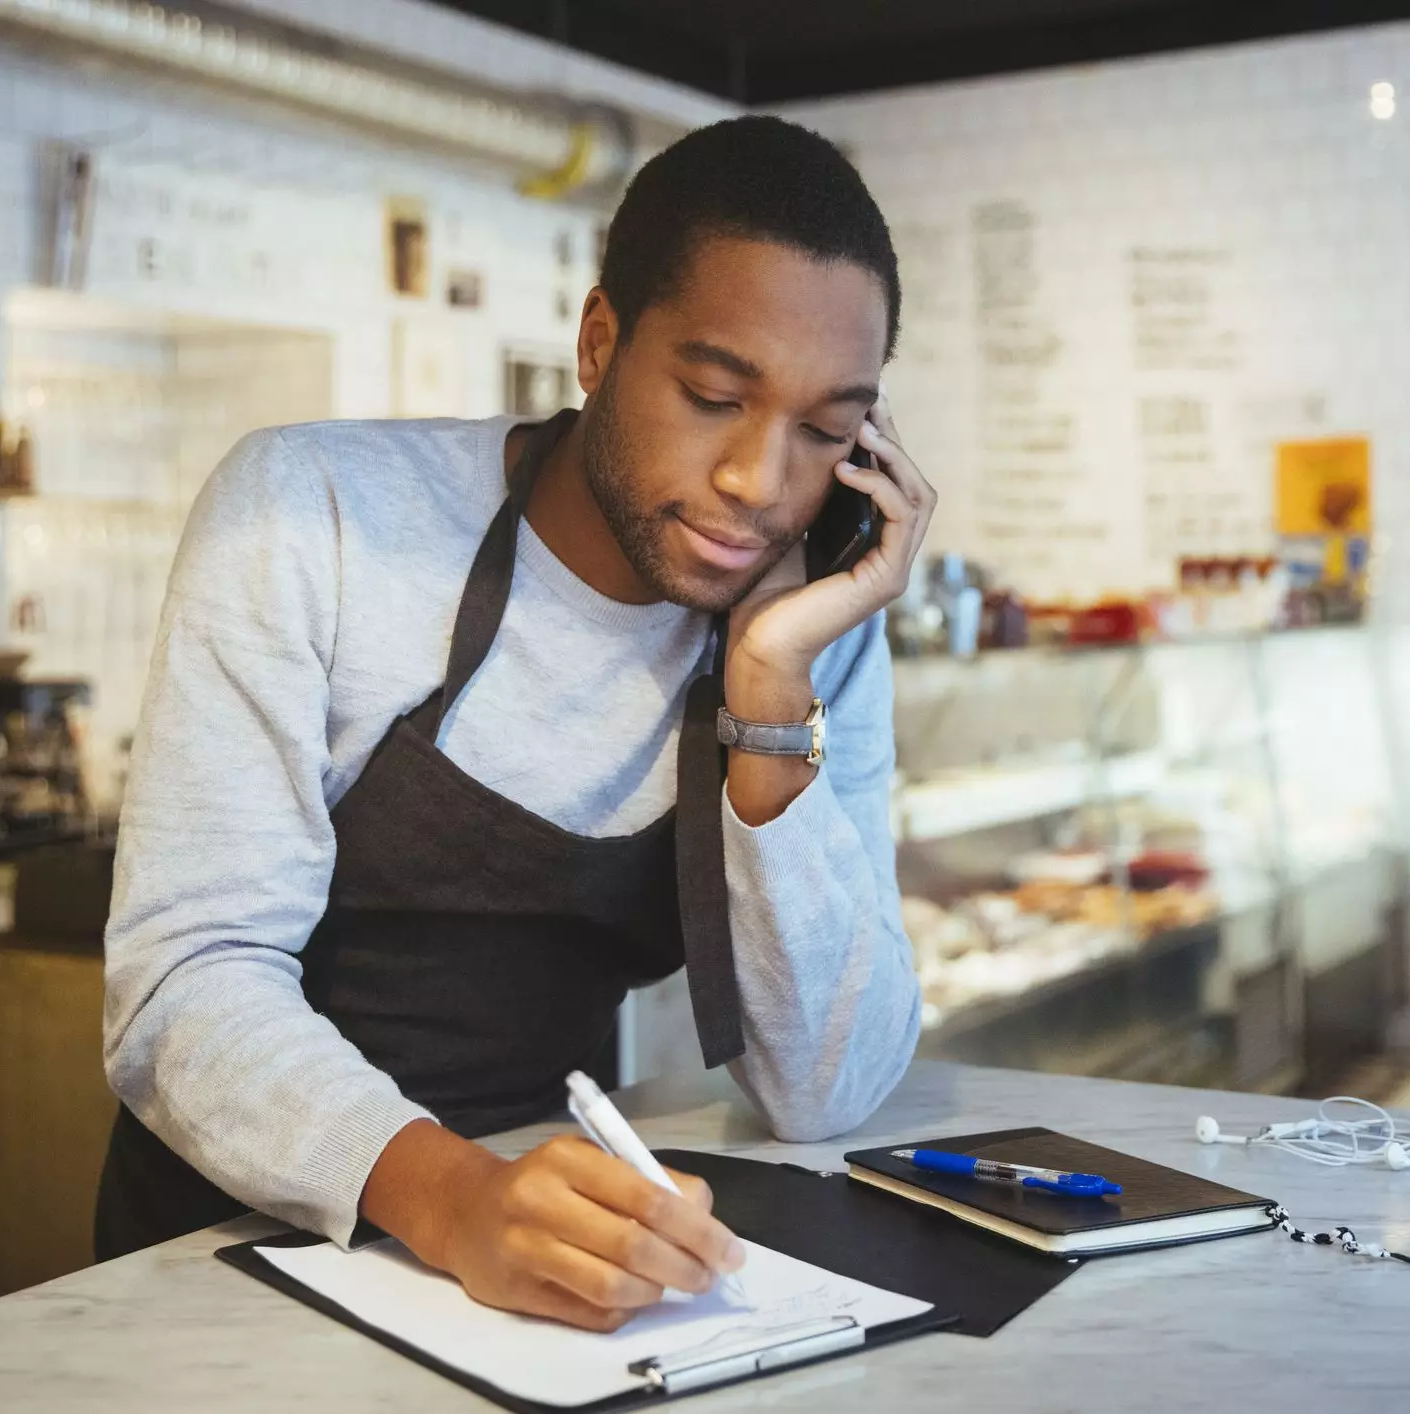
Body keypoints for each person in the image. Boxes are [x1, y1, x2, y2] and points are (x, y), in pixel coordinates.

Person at [95, 115, 936, 1332]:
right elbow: (181, 983)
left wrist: (765, 690)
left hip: (541, 1267)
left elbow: (823, 1087)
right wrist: (457, 1199)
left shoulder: (811, 625)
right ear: (599, 344)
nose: (762, 480)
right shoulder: (312, 513)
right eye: (713, 395)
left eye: (823, 430)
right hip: (226, 1262)